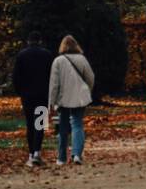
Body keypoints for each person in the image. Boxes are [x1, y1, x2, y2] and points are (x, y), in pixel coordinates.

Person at [48, 35, 94, 166]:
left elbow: (54, 84)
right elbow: (90, 77)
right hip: (79, 97)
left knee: (62, 128)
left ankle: (61, 157)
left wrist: (51, 102)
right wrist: (87, 90)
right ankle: (77, 154)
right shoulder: (82, 59)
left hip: (63, 98)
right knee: (77, 124)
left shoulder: (58, 61)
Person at [13, 32, 54, 167]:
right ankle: (37, 152)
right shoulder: (47, 55)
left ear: (28, 41)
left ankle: (31, 153)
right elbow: (52, 76)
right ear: (40, 40)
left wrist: (20, 91)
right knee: (40, 124)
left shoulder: (21, 55)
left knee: (30, 124)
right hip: (43, 95)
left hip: (27, 95)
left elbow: (16, 77)